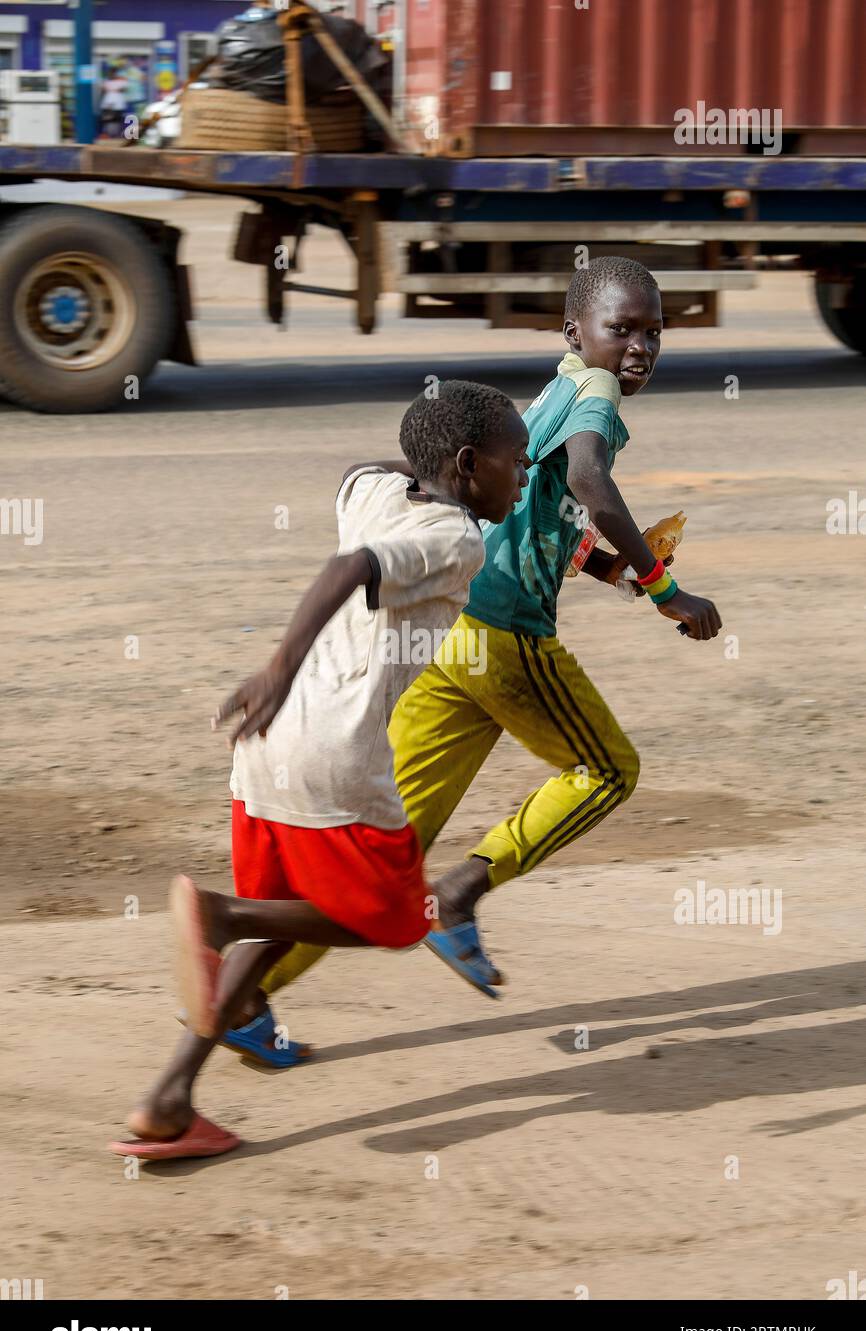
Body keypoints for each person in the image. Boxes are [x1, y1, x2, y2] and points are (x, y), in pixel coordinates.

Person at [233, 255, 722, 1060]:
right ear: (576, 331)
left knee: (380, 853)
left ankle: (243, 997)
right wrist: (665, 586)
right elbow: (593, 484)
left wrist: (603, 569)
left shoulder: (556, 390)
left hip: (449, 636)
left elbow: (544, 510)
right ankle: (459, 894)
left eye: (653, 333)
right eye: (622, 329)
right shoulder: (594, 395)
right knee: (608, 771)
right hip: (506, 637)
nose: (639, 348)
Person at [110, 381, 529, 1159]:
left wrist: (433, 460)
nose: (527, 475)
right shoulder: (458, 540)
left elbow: (364, 473)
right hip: (334, 754)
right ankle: (220, 913)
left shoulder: (376, 490)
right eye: (518, 462)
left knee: (271, 931)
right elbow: (354, 566)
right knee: (401, 919)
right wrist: (278, 663)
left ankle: (168, 1100)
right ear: (470, 465)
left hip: (265, 748)